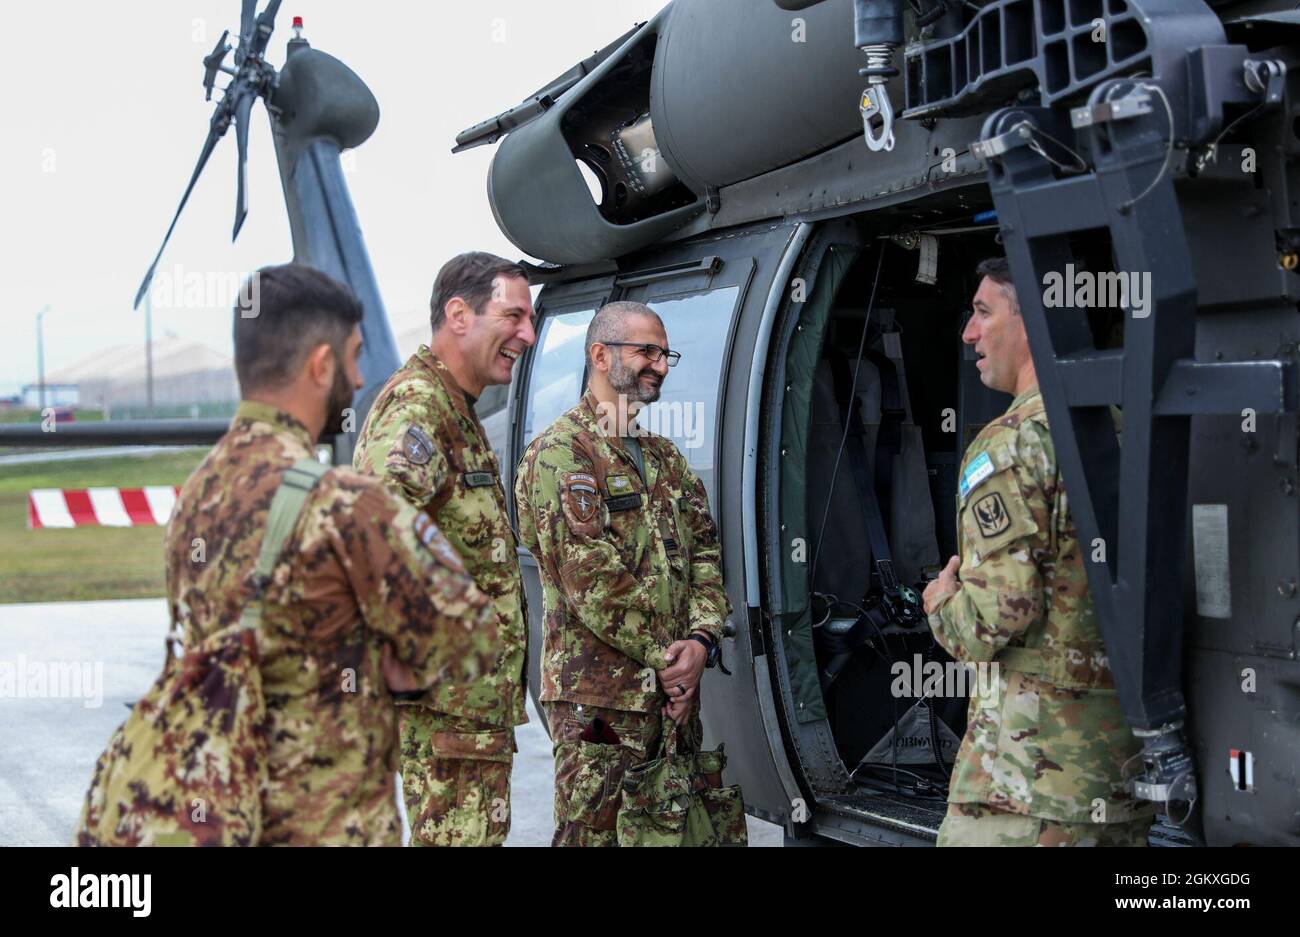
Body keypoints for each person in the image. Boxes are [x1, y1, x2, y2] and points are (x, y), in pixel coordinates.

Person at [164, 263, 497, 846]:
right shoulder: (344, 504)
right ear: (321, 365)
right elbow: (470, 634)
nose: (359, 373)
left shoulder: (195, 495)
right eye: (352, 356)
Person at [921, 257, 1153, 846]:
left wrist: (941, 600)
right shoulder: (1122, 431)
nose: (969, 332)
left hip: (1024, 790)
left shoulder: (1010, 442)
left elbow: (994, 619)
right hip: (1116, 777)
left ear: (1035, 325)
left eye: (982, 311)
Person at [514, 300, 731, 847]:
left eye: (665, 353)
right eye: (646, 351)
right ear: (600, 355)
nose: (660, 364)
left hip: (672, 702)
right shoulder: (560, 455)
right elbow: (594, 582)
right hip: (601, 709)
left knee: (670, 832)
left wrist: (702, 640)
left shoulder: (665, 459)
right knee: (599, 836)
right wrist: (670, 660)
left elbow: (705, 552)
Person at [353, 252, 535, 846]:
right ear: (459, 315)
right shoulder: (421, 407)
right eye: (514, 316)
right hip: (448, 710)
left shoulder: (454, 407)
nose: (527, 336)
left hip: (467, 712)